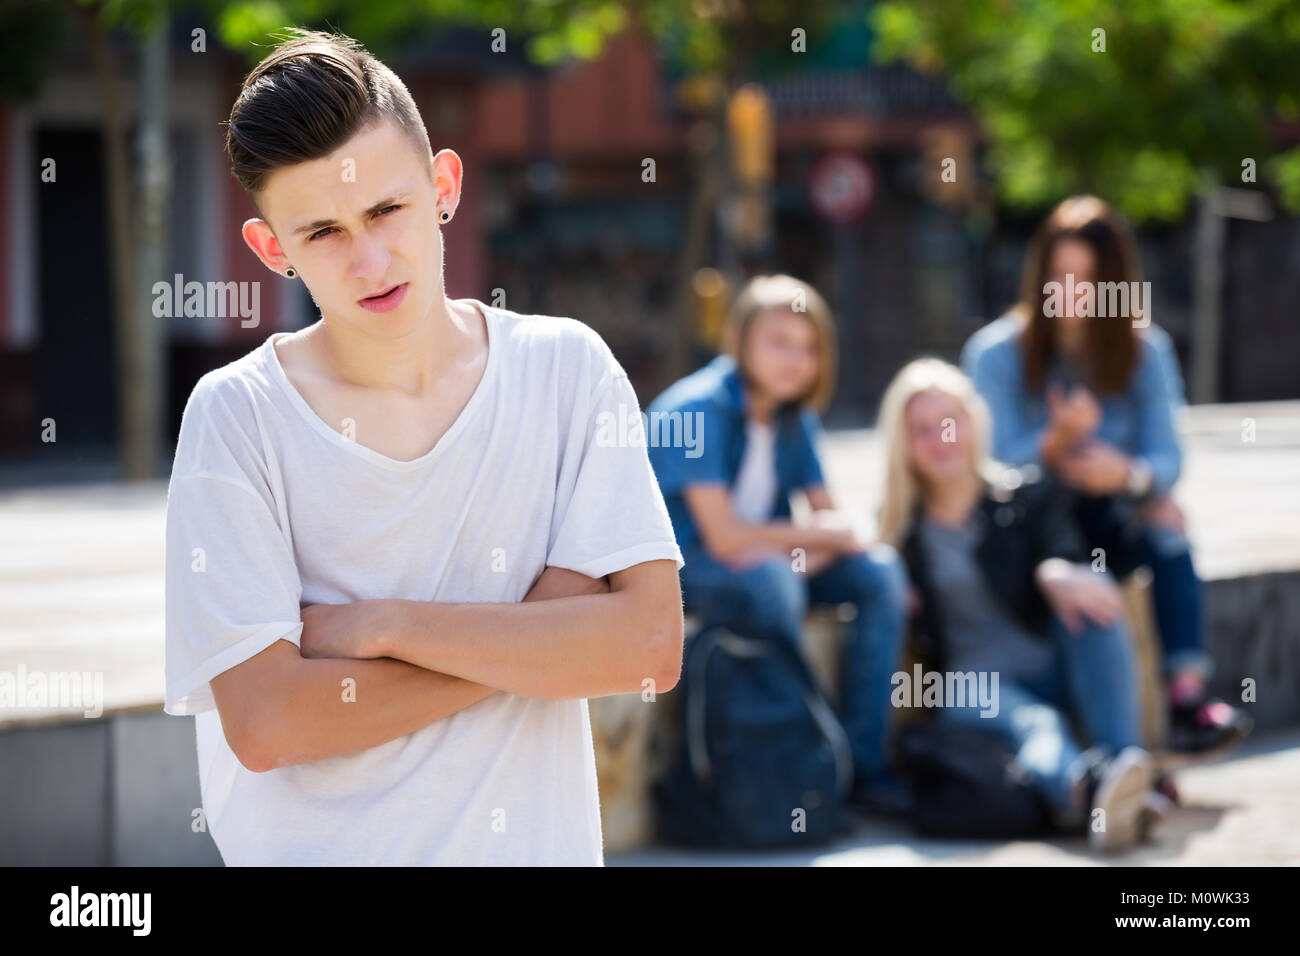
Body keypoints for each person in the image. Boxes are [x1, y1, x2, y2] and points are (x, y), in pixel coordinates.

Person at [163, 29, 685, 866]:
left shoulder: (567, 373)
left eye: (385, 210)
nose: (370, 260)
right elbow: (268, 723)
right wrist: (537, 640)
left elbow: (649, 648)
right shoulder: (237, 418)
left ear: (443, 185)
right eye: (324, 232)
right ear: (273, 250)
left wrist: (385, 626)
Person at [960, 195, 1251, 760]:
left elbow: (1166, 459)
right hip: (1031, 533)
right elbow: (989, 468)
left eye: (1089, 279)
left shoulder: (1144, 351)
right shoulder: (996, 353)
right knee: (1081, 581)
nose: (1073, 293)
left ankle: (1185, 698)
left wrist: (1129, 477)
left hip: (1111, 518)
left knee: (1166, 519)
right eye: (1061, 276)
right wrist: (1056, 443)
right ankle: (1116, 754)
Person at [646, 274, 909, 814]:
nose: (796, 359)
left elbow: (835, 523)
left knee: (879, 573)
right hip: (681, 571)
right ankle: (800, 755)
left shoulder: (795, 419)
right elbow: (723, 536)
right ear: (740, 340)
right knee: (772, 577)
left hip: (760, 567)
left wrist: (818, 547)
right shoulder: (693, 408)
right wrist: (812, 542)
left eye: (809, 347)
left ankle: (861, 764)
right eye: (779, 342)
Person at [877, 358, 1164, 851]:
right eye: (920, 429)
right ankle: (1093, 792)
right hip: (968, 687)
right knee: (1038, 723)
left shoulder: (1026, 494)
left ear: (973, 423)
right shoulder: (900, 536)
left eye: (949, 423)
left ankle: (1124, 764)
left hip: (1051, 663)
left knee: (1092, 590)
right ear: (902, 443)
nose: (938, 439)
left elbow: (1061, 550)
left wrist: (1054, 570)